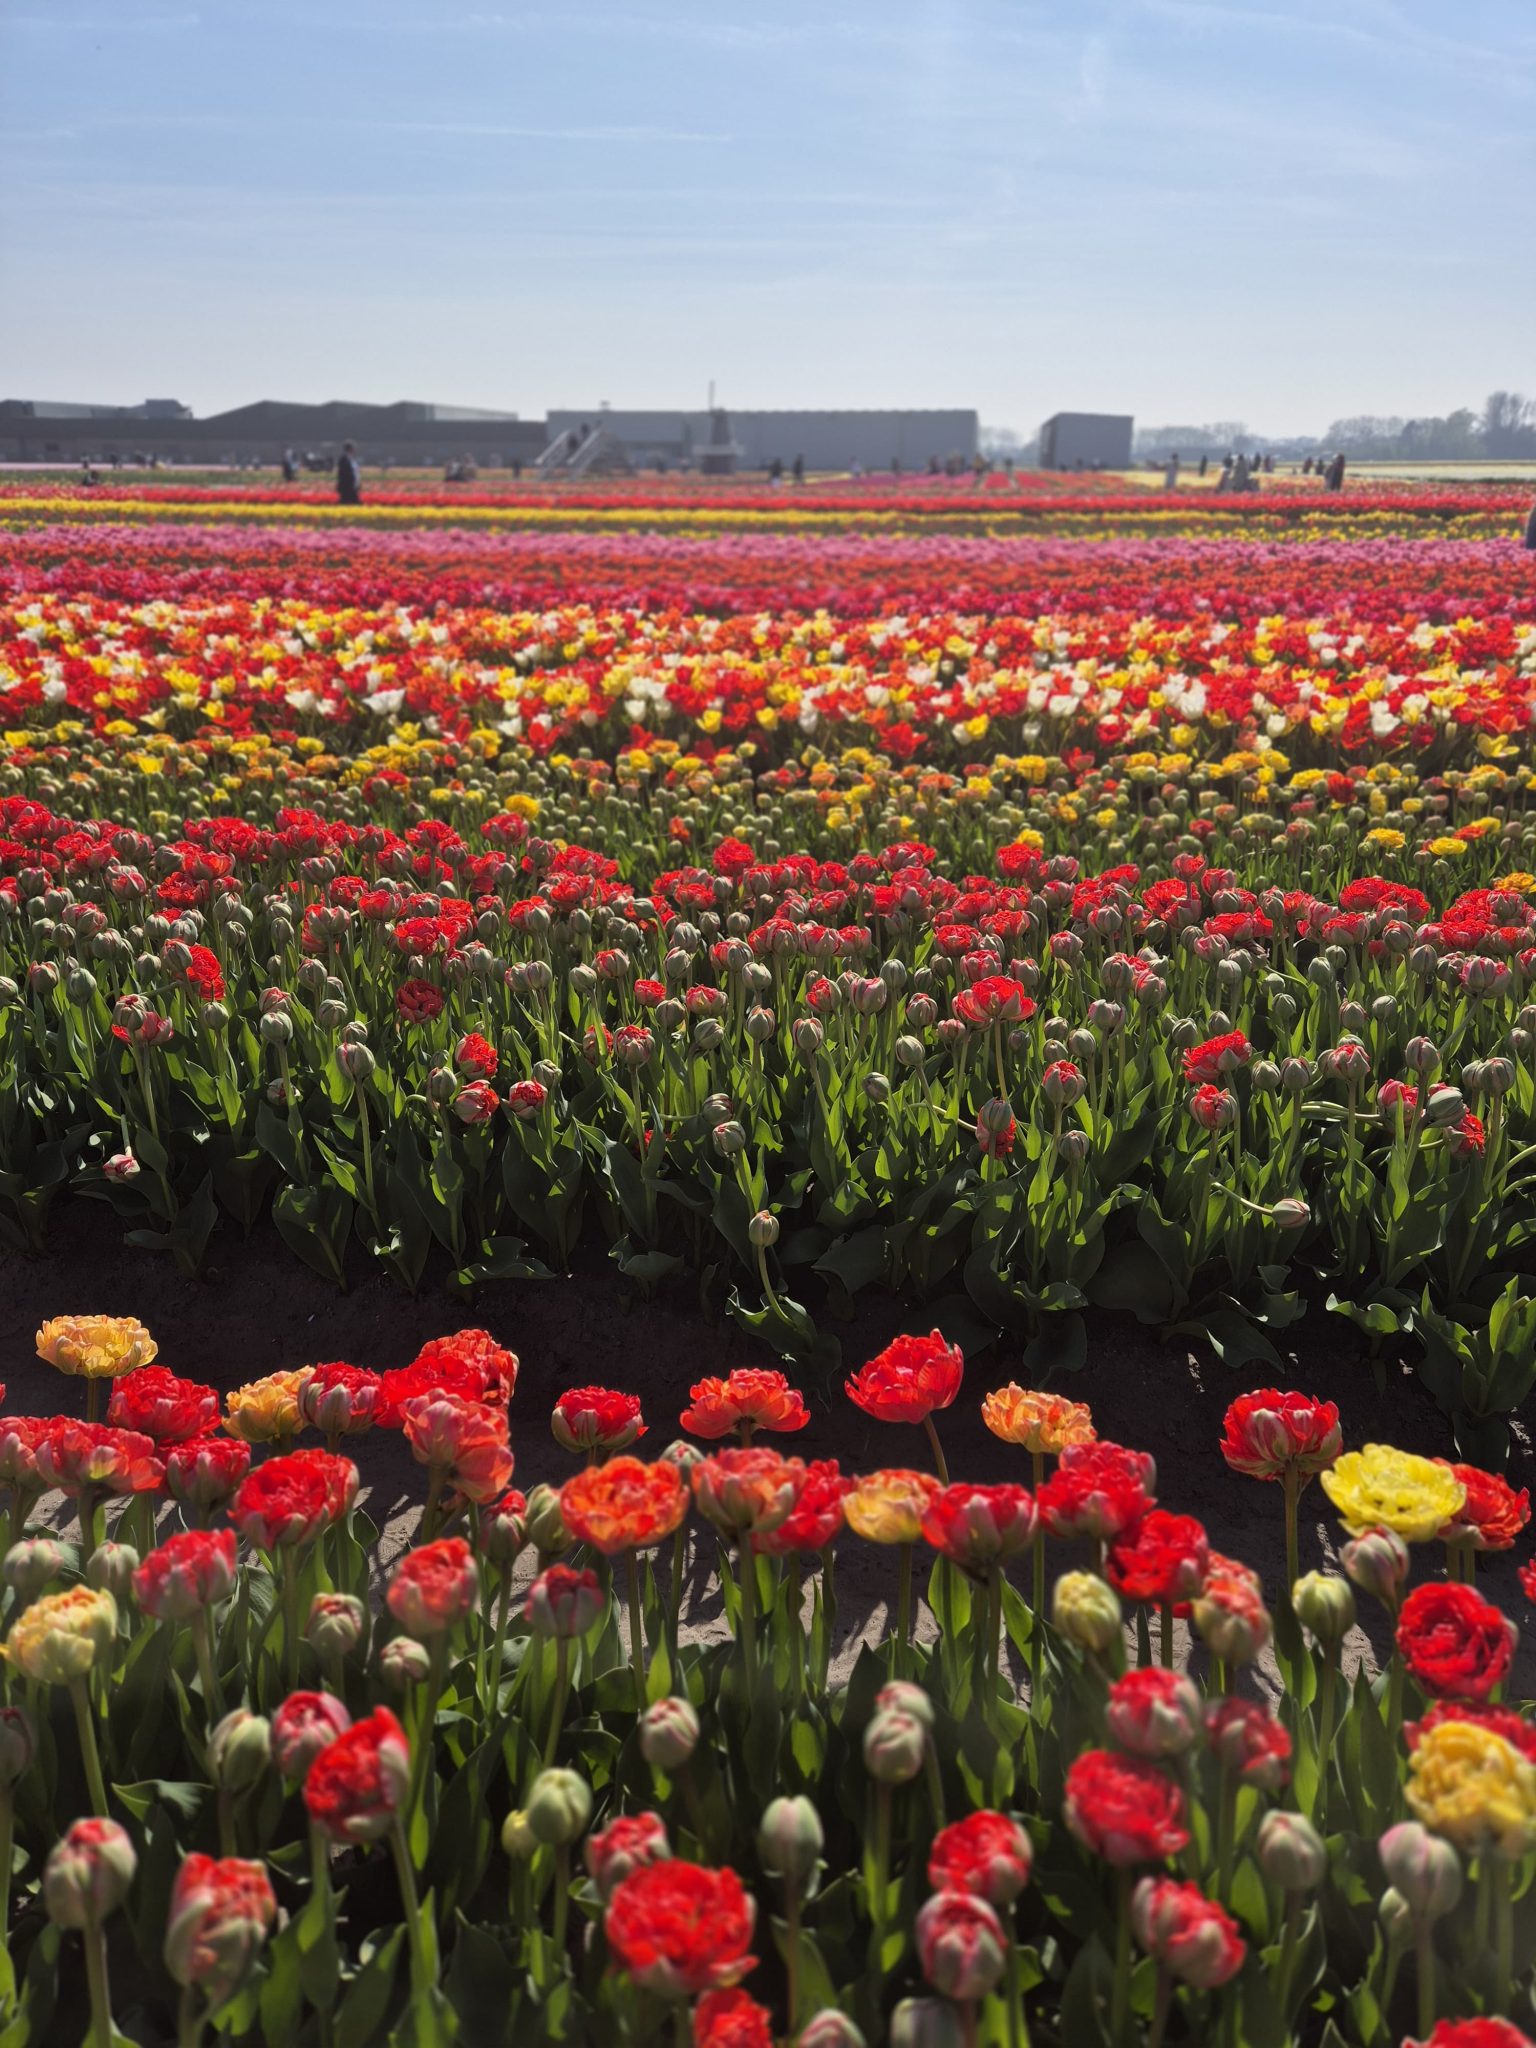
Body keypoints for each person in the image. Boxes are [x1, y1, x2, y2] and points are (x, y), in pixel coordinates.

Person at [336, 440, 361, 505]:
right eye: (353, 448)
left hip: (353, 486)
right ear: (350, 449)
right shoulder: (343, 459)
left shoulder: (352, 459)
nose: (355, 449)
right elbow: (343, 474)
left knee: (348, 503)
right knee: (349, 503)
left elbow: (355, 472)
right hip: (347, 487)